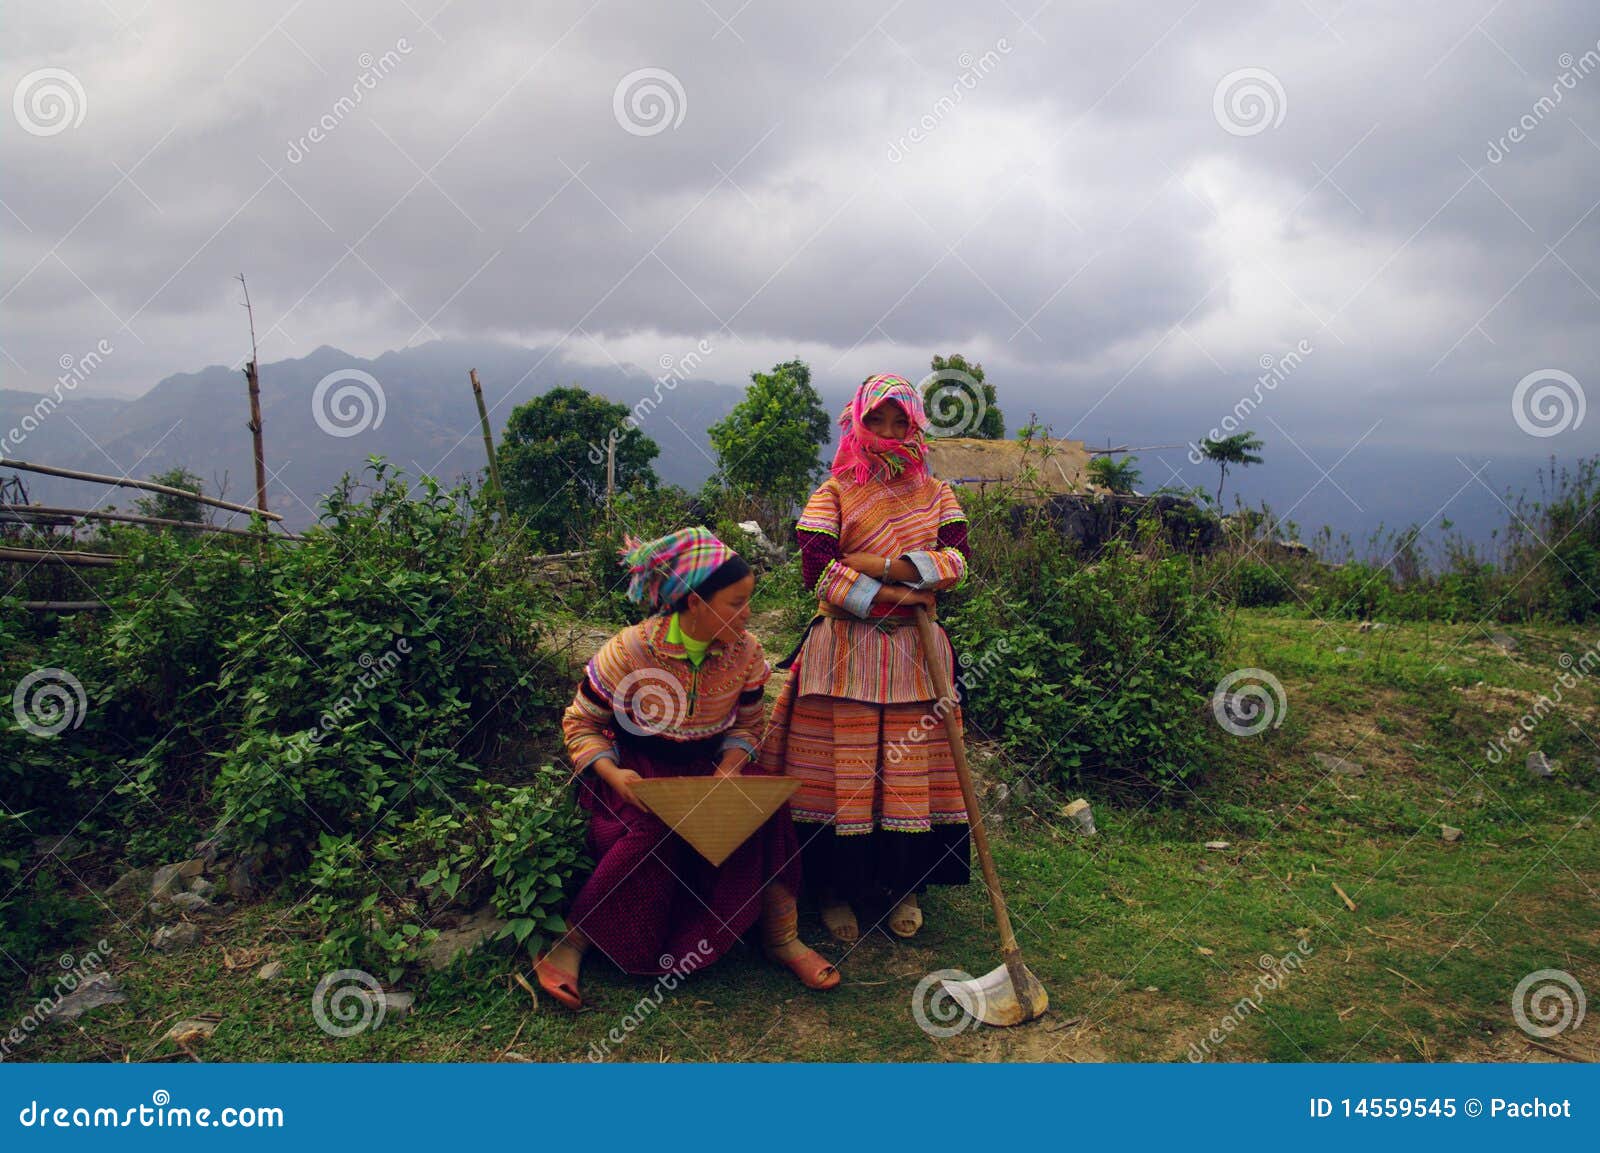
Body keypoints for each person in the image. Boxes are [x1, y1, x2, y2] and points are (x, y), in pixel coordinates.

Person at [536, 527, 839, 1008]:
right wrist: (616, 775)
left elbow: (748, 724)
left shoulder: (746, 653)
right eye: (736, 603)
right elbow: (581, 724)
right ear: (695, 601)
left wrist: (731, 766)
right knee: (652, 832)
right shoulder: (631, 651)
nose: (747, 615)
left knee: (769, 812)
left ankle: (782, 938)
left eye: (749, 602)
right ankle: (572, 942)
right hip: (635, 773)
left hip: (709, 769)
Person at [759, 374, 971, 943]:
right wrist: (907, 588)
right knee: (839, 776)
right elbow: (818, 573)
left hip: (915, 657)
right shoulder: (832, 493)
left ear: (915, 426)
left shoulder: (938, 494)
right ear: (856, 422)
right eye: (875, 420)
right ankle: (832, 890)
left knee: (906, 776)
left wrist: (873, 564)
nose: (888, 432)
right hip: (845, 655)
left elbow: (957, 563)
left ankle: (902, 885)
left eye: (900, 421)